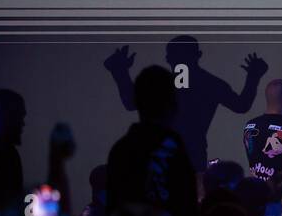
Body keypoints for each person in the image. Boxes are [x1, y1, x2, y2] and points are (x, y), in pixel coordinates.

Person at [105, 35, 268, 173]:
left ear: (169, 59)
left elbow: (131, 102)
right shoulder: (210, 83)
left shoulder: (163, 84)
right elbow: (241, 105)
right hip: (192, 155)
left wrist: (120, 71)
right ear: (198, 55)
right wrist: (253, 76)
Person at [105, 66, 198, 216]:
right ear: (172, 103)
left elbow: (114, 211)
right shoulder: (174, 148)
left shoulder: (121, 150)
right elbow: (187, 208)